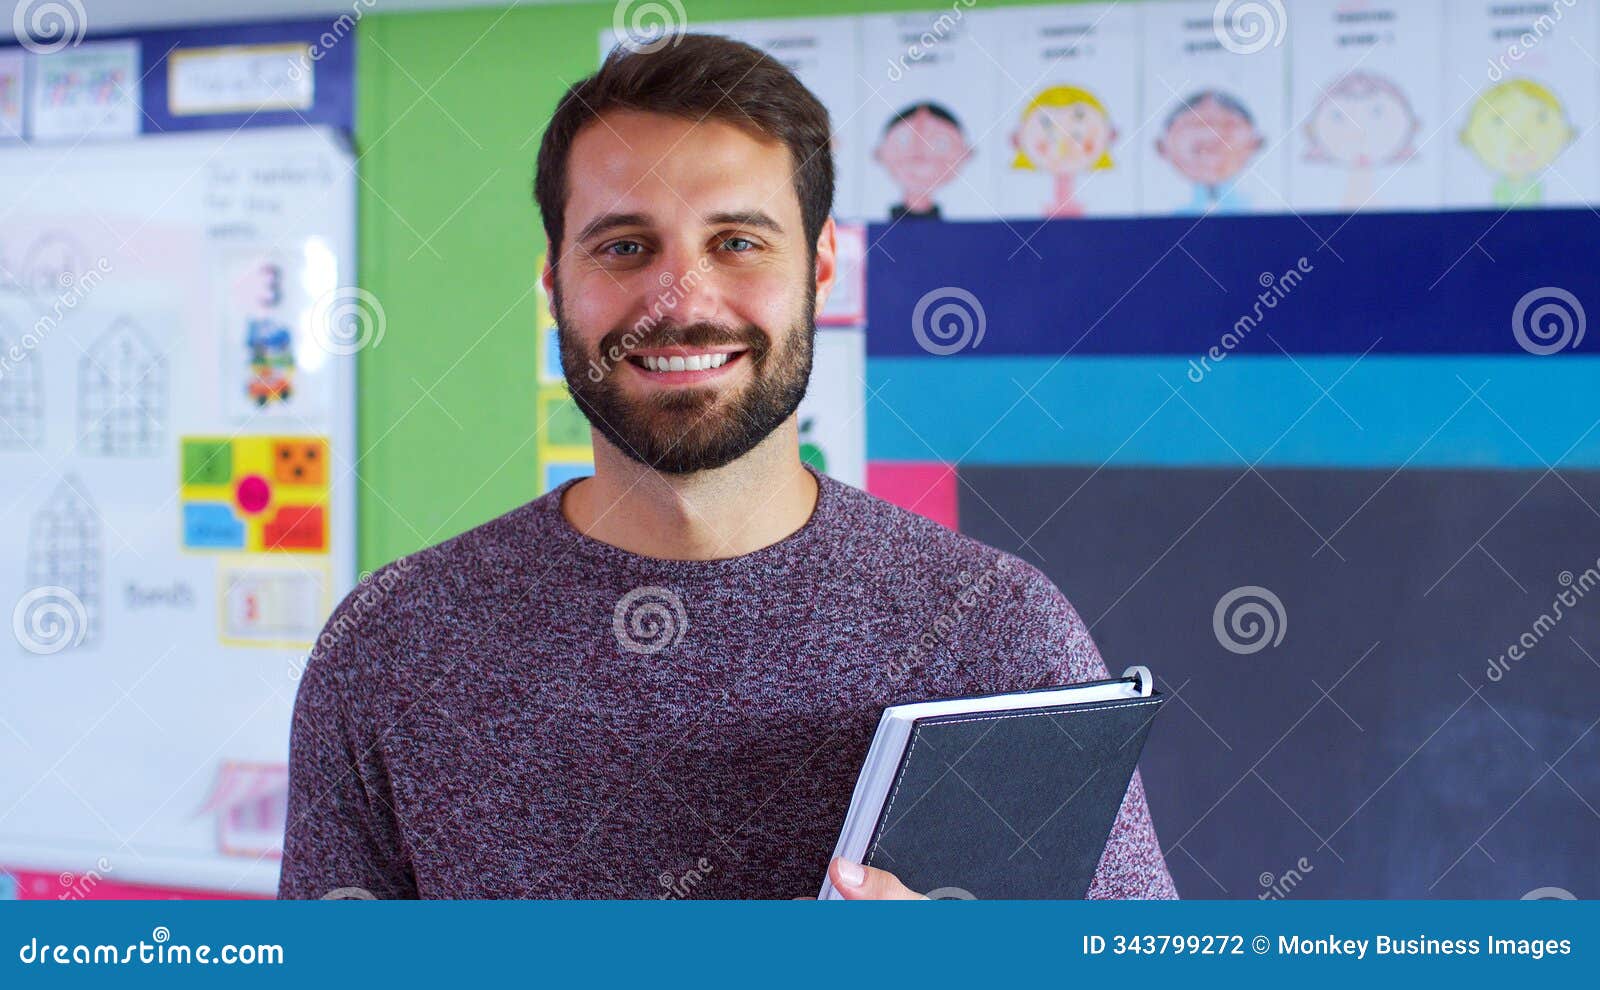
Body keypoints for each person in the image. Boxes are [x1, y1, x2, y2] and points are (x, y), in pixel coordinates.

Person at [278, 33, 1177, 901]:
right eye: (625, 246)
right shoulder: (392, 647)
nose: (681, 302)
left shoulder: (998, 634)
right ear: (554, 281)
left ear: (822, 270)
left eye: (738, 242)